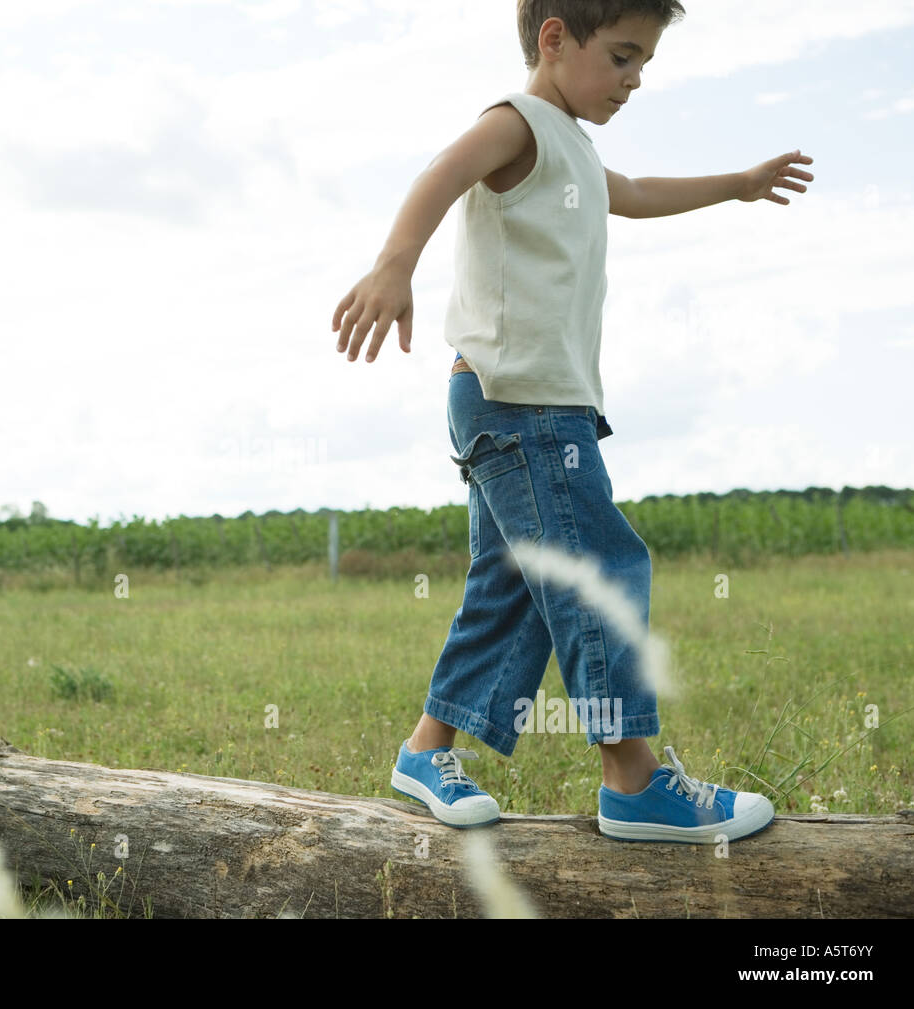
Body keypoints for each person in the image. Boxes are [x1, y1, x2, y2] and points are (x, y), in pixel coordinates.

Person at [330, 0, 814, 842]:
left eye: (645, 64)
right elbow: (441, 172)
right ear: (555, 38)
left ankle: (424, 749)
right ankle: (633, 779)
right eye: (623, 57)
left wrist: (735, 186)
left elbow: (631, 193)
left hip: (522, 405)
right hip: (522, 407)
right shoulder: (516, 124)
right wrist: (391, 265)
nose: (634, 80)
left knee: (512, 589)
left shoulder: (575, 151)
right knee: (600, 564)